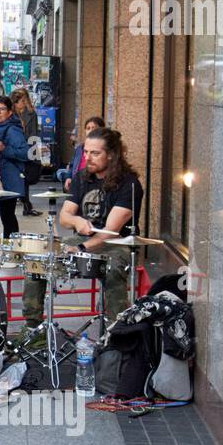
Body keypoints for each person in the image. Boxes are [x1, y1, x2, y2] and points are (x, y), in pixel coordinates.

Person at [23, 126, 142, 328]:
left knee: (113, 270)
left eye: (95, 153)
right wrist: (78, 221)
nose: (88, 157)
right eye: (86, 152)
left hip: (118, 243)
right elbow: (64, 216)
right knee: (39, 260)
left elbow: (109, 233)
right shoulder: (82, 177)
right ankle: (32, 328)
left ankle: (118, 333)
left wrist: (79, 249)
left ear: (112, 155)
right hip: (82, 239)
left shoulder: (129, 184)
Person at [0, 95, 28, 240]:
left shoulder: (12, 129)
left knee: (8, 216)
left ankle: (11, 247)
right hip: (0, 179)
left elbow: (24, 153)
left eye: (2, 109)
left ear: (9, 112)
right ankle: (10, 246)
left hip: (9, 180)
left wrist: (4, 149)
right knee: (6, 216)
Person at [11, 88, 41, 216]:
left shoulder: (31, 113)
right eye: (21, 101)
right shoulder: (11, 115)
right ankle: (26, 205)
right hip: (15, 149)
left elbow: (34, 134)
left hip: (28, 148)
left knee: (29, 177)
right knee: (19, 178)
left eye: (25, 100)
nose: (23, 102)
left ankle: (26, 203)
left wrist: (35, 154)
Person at [58, 115, 106, 191]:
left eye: (94, 128)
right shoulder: (79, 148)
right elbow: (72, 165)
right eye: (88, 128)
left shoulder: (106, 148)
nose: (91, 130)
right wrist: (69, 177)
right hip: (77, 183)